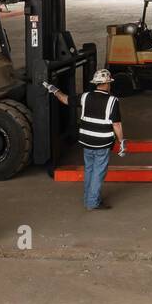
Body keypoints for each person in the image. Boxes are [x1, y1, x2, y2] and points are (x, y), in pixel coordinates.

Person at [45, 69, 126, 211]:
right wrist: (121, 142)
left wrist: (54, 90)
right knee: (98, 172)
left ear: (96, 83)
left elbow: (65, 99)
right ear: (107, 83)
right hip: (102, 143)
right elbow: (116, 124)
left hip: (86, 141)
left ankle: (88, 197)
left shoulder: (85, 97)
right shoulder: (112, 100)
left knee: (89, 170)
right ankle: (92, 203)